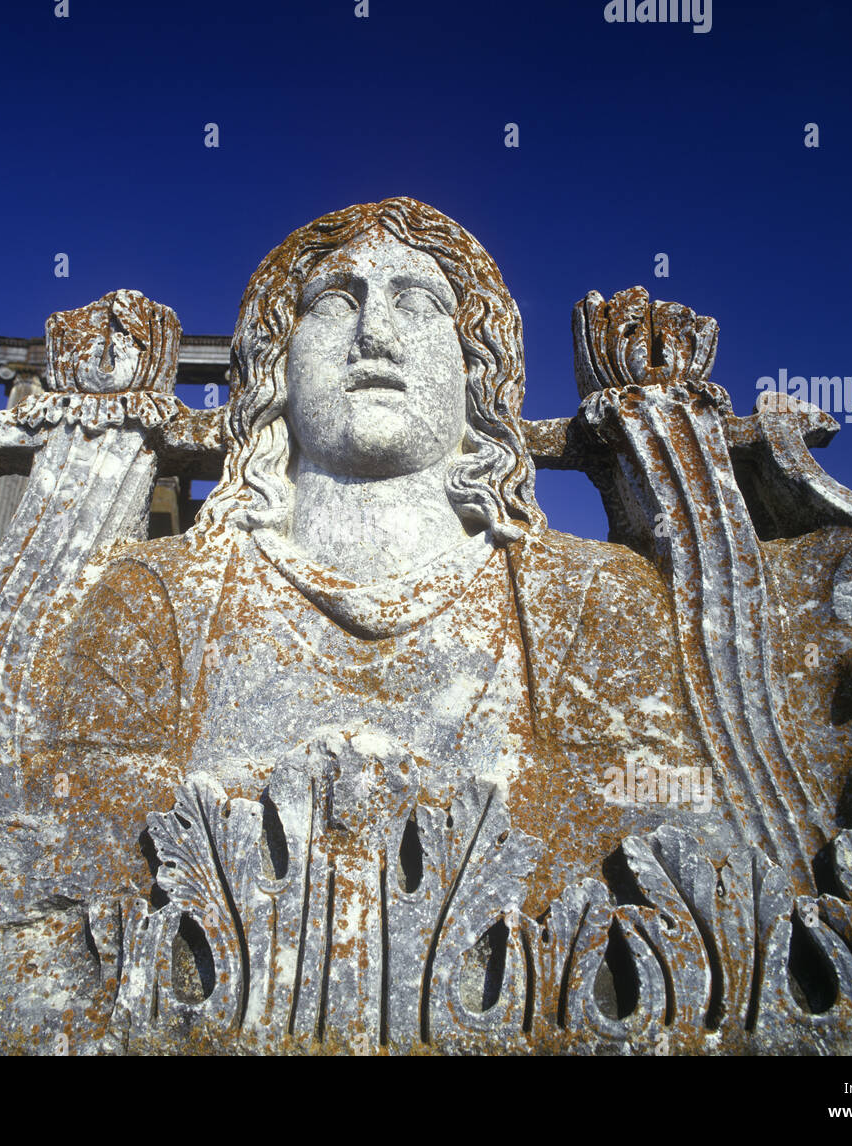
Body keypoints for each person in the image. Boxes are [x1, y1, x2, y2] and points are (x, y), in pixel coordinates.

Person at [56, 198, 711, 895]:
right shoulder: (157, 597)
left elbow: (667, 842)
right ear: (273, 359)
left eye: (418, 301)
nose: (375, 335)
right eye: (336, 302)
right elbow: (76, 851)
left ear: (477, 363)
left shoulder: (591, 600)